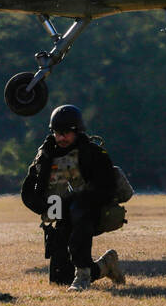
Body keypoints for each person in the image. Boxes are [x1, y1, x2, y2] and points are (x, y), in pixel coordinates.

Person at [21, 104, 126, 291]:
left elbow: (107, 186)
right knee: (60, 280)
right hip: (61, 216)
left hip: (89, 213)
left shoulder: (92, 153)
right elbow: (29, 191)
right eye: (57, 133)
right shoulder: (45, 156)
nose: (61, 137)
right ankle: (105, 265)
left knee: (80, 214)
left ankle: (84, 273)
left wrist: (84, 199)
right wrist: (45, 208)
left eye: (66, 133)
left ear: (77, 131)